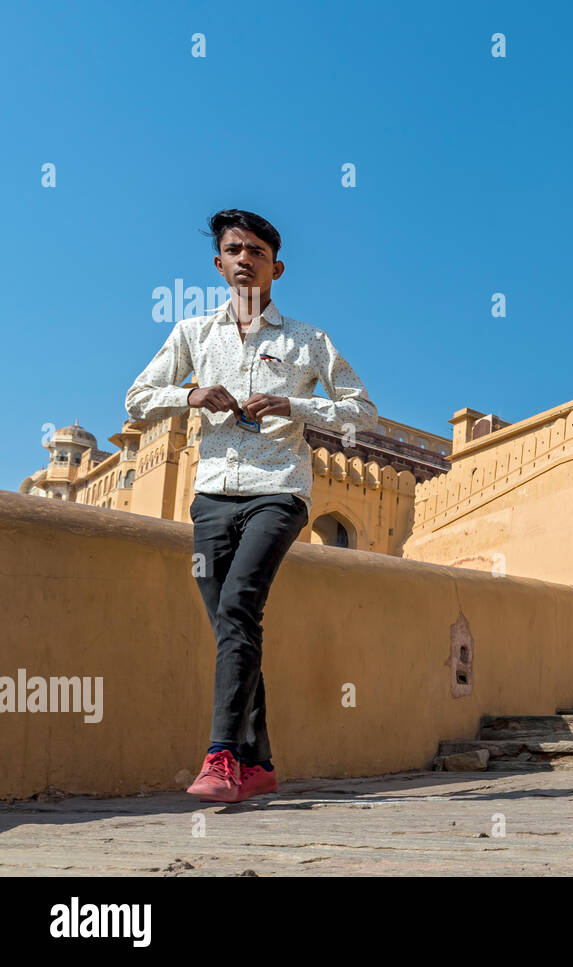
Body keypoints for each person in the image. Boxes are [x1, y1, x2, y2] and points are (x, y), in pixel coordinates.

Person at [125, 209, 378, 802]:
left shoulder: (308, 340)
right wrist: (191, 394)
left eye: (257, 251)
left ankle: (221, 757)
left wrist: (296, 406)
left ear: (276, 267)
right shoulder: (191, 335)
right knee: (231, 625)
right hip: (211, 494)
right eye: (234, 249)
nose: (245, 258)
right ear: (218, 264)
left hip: (278, 490)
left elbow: (361, 413)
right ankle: (259, 760)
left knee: (238, 605)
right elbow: (136, 401)